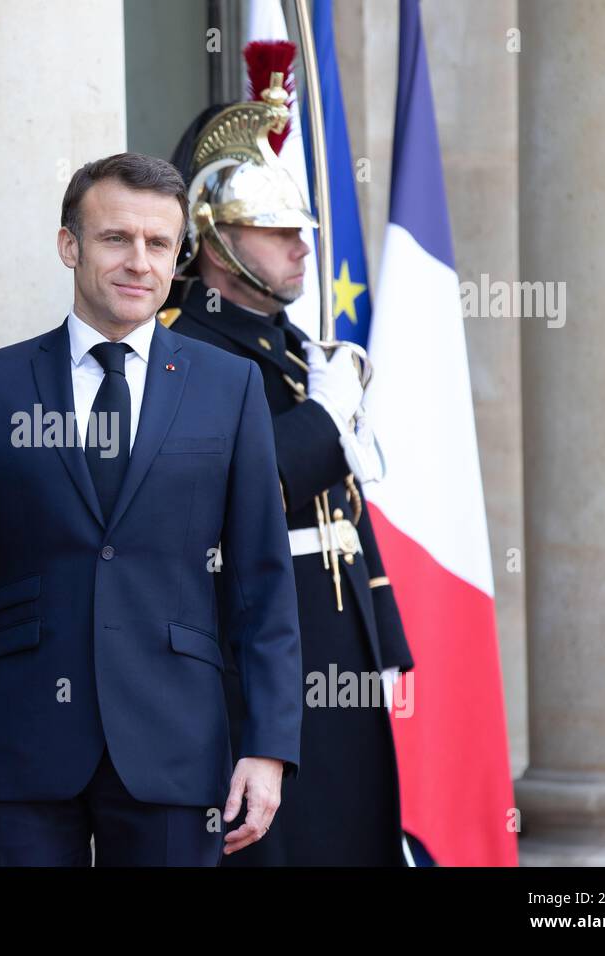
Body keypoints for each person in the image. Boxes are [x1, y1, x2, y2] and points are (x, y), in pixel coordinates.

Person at [0, 153, 303, 866]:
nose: (138, 261)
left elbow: (263, 579)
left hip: (176, 743)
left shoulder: (229, 389)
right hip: (26, 738)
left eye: (158, 243)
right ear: (69, 245)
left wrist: (267, 746)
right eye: (115, 239)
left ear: (178, 257)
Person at [161, 68, 414, 865]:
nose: (303, 245)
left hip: (341, 639)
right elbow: (250, 494)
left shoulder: (297, 351)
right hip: (262, 646)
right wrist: (326, 420)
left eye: (300, 227)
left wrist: (390, 636)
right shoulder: (185, 348)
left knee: (355, 833)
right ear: (218, 236)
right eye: (278, 230)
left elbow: (344, 509)